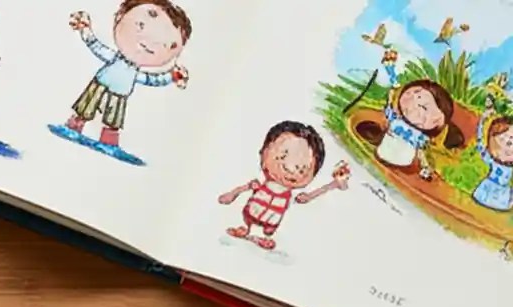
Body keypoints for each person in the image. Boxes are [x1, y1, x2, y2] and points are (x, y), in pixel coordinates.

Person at [63, 0, 191, 150]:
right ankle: (74, 125)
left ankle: (108, 141)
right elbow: (96, 46)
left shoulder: (134, 72)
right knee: (85, 107)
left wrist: (171, 77)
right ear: (120, 17)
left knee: (113, 120)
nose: (149, 43)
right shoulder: (116, 59)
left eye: (168, 45)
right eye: (140, 25)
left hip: (120, 93)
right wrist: (85, 30)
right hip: (101, 83)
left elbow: (152, 80)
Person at [218, 121, 351, 250]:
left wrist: (329, 187)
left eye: (301, 169)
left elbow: (314, 194)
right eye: (282, 157)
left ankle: (260, 236)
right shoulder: (259, 184)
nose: (291, 170)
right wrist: (232, 194)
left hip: (273, 216)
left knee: (269, 227)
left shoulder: (290, 196)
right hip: (255, 208)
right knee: (250, 215)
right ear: (264, 152)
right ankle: (245, 228)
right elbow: (245, 188)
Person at [356, 51, 464, 180]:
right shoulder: (397, 119)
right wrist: (390, 69)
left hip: (402, 161)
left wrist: (426, 168)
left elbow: (421, 152)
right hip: (383, 152)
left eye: (424, 107)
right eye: (413, 94)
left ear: (437, 121)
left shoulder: (418, 135)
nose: (413, 105)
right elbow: (393, 94)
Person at [473, 95, 513, 212]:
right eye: (502, 139)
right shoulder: (490, 159)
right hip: (485, 192)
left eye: (511, 142)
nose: (506, 146)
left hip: (502, 196)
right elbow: (480, 140)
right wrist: (483, 120)